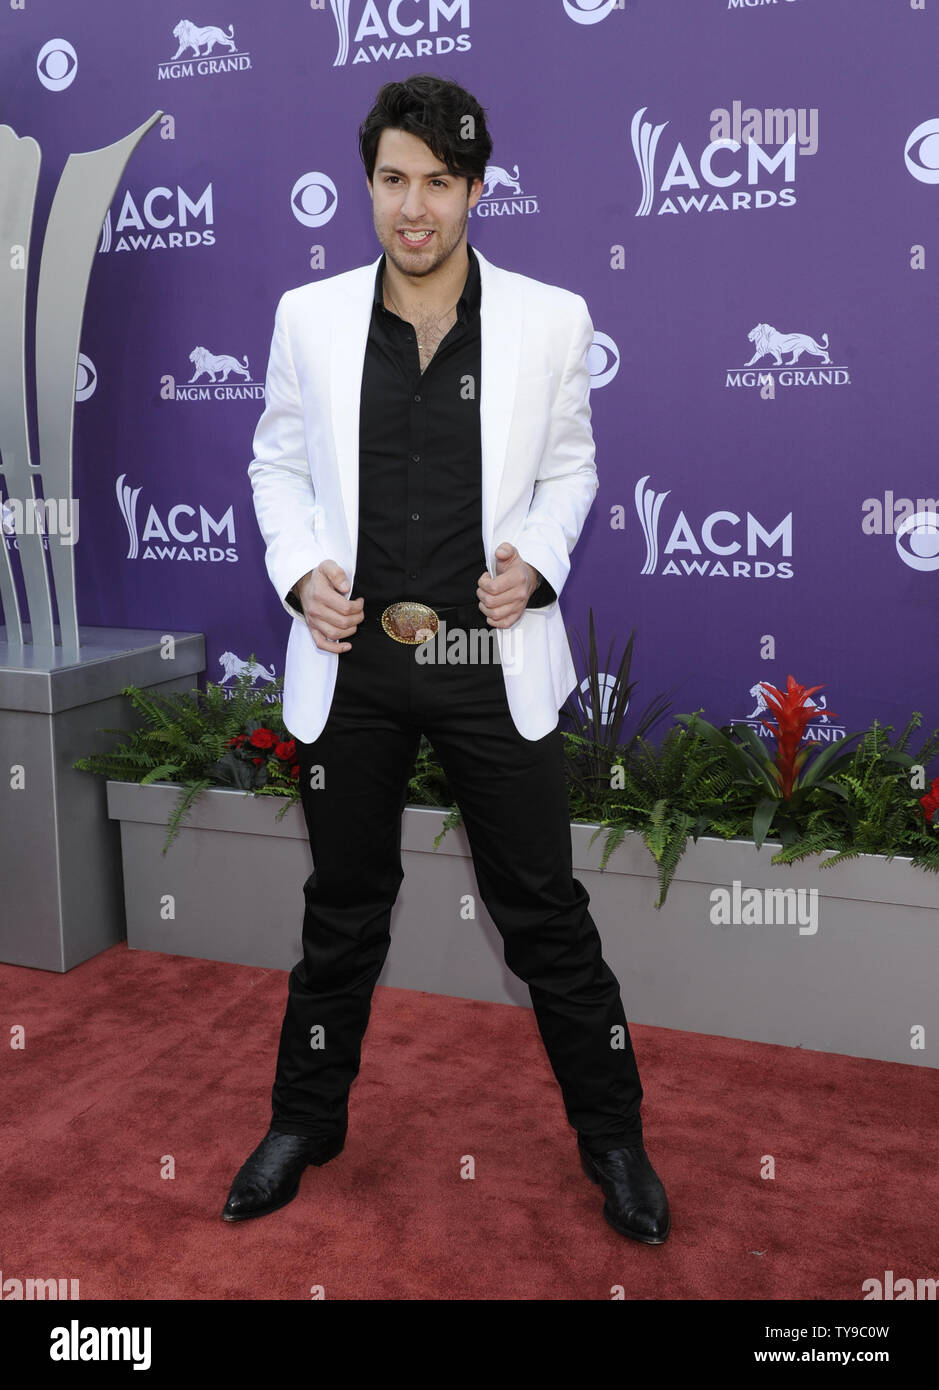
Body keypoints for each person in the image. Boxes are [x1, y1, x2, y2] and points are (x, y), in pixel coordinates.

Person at [226, 74, 669, 1245]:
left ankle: (615, 1140)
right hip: (352, 655)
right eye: (391, 180)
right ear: (368, 182)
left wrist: (539, 558)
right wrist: (300, 568)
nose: (411, 207)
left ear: (476, 188)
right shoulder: (307, 317)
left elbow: (571, 470)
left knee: (545, 915)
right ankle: (303, 1122)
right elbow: (274, 464)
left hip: (490, 650)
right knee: (342, 910)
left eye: (437, 182)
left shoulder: (552, 318)